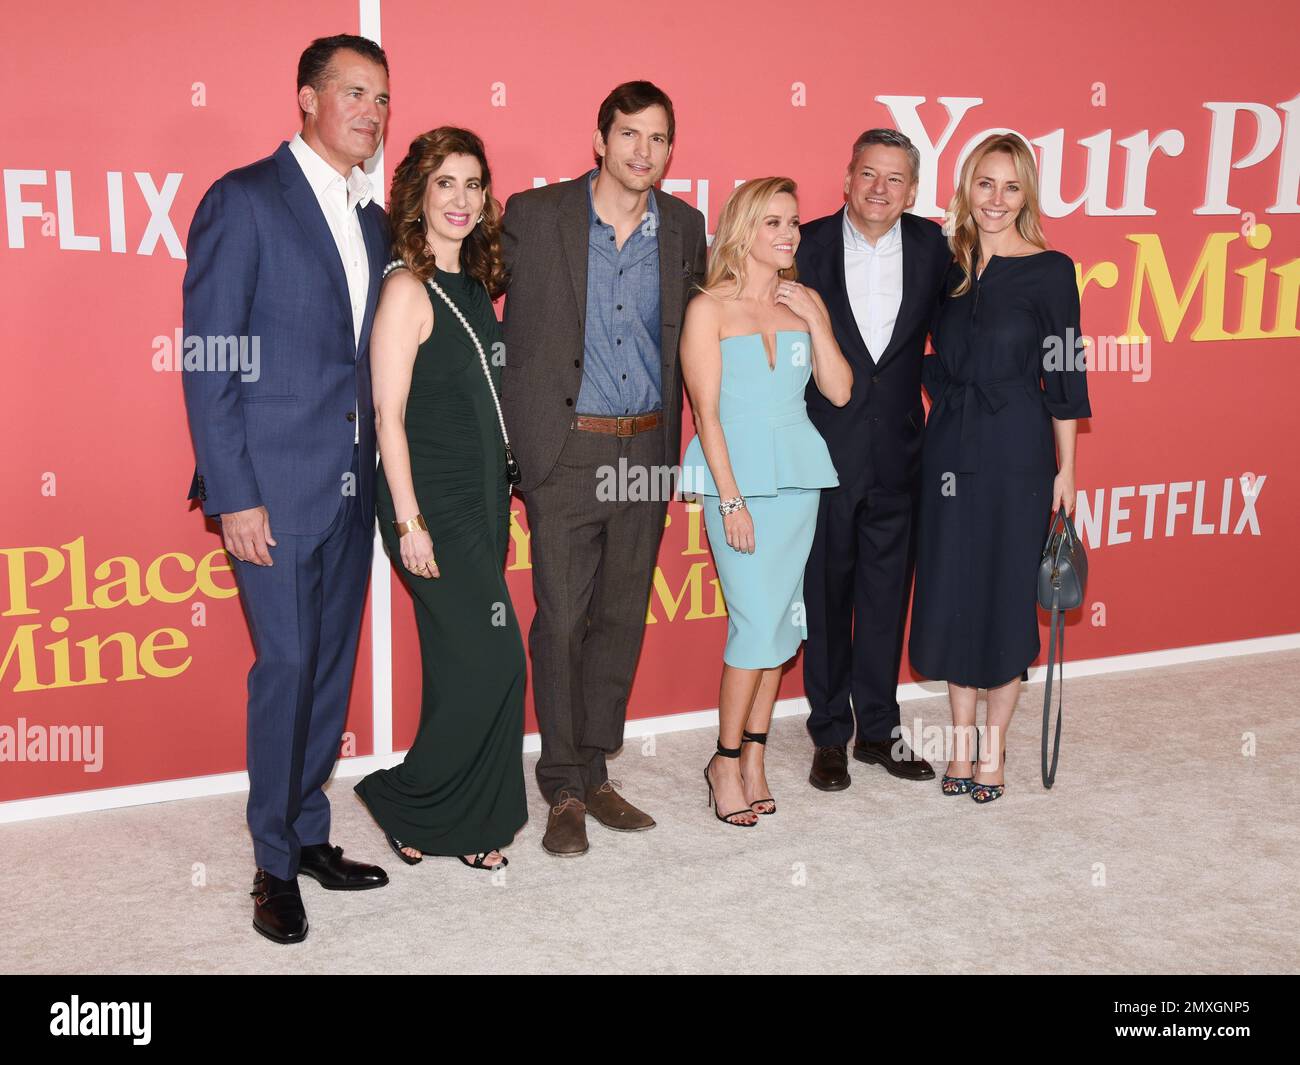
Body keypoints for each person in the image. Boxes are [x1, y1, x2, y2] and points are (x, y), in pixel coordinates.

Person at [181, 34, 392, 945]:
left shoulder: (372, 218)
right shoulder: (245, 198)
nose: (371, 112)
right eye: (353, 93)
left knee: (331, 671)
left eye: (382, 98)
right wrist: (234, 494)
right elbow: (210, 359)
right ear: (306, 99)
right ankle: (271, 863)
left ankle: (310, 832)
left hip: (352, 487)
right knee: (288, 671)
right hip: (270, 486)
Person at [499, 81, 708, 857]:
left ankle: (594, 766)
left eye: (657, 139)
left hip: (647, 447)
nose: (642, 151)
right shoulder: (535, 214)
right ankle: (561, 783)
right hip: (566, 449)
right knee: (562, 617)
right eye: (629, 135)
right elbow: (464, 284)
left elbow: (702, 324)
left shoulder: (685, 227)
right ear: (599, 138)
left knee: (620, 616)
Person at [352, 128, 527, 871]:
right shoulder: (405, 288)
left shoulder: (475, 285)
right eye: (446, 182)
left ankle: (467, 816)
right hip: (430, 507)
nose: (461, 198)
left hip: (482, 499)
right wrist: (409, 519)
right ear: (419, 193)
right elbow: (386, 415)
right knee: (496, 661)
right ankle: (403, 796)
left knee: (462, 664)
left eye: (474, 183)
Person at [908, 133, 1092, 803]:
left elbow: (1065, 371)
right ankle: (959, 746)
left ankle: (995, 750)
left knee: (1006, 596)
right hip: (950, 449)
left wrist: (1066, 470)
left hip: (1019, 450)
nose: (996, 199)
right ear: (966, 188)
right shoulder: (945, 268)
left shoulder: (1050, 270)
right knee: (955, 591)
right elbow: (916, 354)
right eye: (985, 183)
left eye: (1011, 187)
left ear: (1027, 195)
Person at [680, 178, 852, 826]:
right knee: (754, 626)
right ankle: (723, 759)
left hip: (799, 480)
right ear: (744, 231)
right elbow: (707, 415)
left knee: (783, 626)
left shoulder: (800, 302)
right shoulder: (710, 309)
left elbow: (837, 390)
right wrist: (730, 503)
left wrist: (816, 319)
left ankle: (754, 757)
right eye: (774, 222)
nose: (788, 235)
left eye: (794, 223)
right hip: (740, 484)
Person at [796, 129, 951, 792]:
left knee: (887, 596)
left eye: (894, 179)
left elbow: (952, 343)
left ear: (912, 190)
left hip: (900, 453)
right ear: (847, 178)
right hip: (823, 451)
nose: (880, 189)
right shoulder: (805, 245)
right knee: (827, 595)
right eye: (868, 174)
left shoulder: (933, 247)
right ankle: (829, 733)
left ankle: (879, 731)